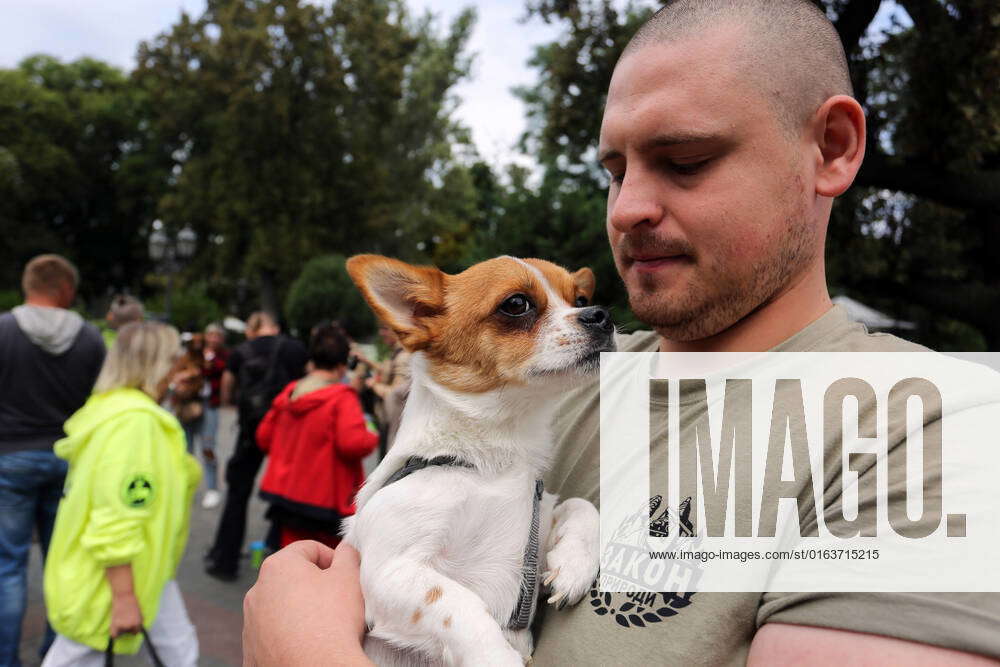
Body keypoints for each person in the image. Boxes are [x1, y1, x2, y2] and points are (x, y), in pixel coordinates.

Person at [242, 1, 1000, 664]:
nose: (627, 207)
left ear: (831, 147)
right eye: (615, 170)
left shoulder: (927, 427)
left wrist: (305, 653)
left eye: (686, 160)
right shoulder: (546, 386)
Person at [41, 321, 201, 667]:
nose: (180, 365)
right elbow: (118, 512)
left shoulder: (115, 409)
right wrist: (124, 596)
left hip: (145, 566)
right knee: (80, 654)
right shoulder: (135, 423)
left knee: (178, 651)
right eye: (174, 357)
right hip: (120, 572)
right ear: (157, 363)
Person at [0, 254, 105, 666]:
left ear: (29, 284)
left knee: (8, 566)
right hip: (68, 460)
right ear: (65, 288)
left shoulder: (4, 330)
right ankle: (54, 653)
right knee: (62, 564)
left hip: (10, 457)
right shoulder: (90, 339)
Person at [205, 311, 308, 581]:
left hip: (251, 431)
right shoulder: (296, 349)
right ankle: (283, 559)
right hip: (287, 432)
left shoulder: (241, 351)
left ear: (253, 328)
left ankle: (224, 559)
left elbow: (227, 390)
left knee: (238, 491)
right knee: (287, 494)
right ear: (274, 326)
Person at [256, 323, 378, 549]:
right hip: (325, 499)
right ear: (342, 365)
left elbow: (264, 437)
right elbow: (352, 444)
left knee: (291, 557)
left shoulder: (290, 391)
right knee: (325, 561)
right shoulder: (343, 398)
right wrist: (371, 433)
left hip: (286, 495)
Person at [351, 322, 411, 456]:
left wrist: (373, 385)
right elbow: (386, 370)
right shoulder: (397, 353)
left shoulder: (403, 358)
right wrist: (366, 361)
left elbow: (396, 395)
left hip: (393, 424)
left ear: (397, 330)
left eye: (385, 329)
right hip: (388, 420)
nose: (381, 333)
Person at [200, 323, 229, 509]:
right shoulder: (195, 352)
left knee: (208, 446)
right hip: (190, 404)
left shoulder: (224, 356)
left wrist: (210, 360)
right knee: (184, 446)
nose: (213, 339)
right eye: (210, 335)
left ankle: (212, 488)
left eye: (217, 336)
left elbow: (220, 370)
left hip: (211, 404)